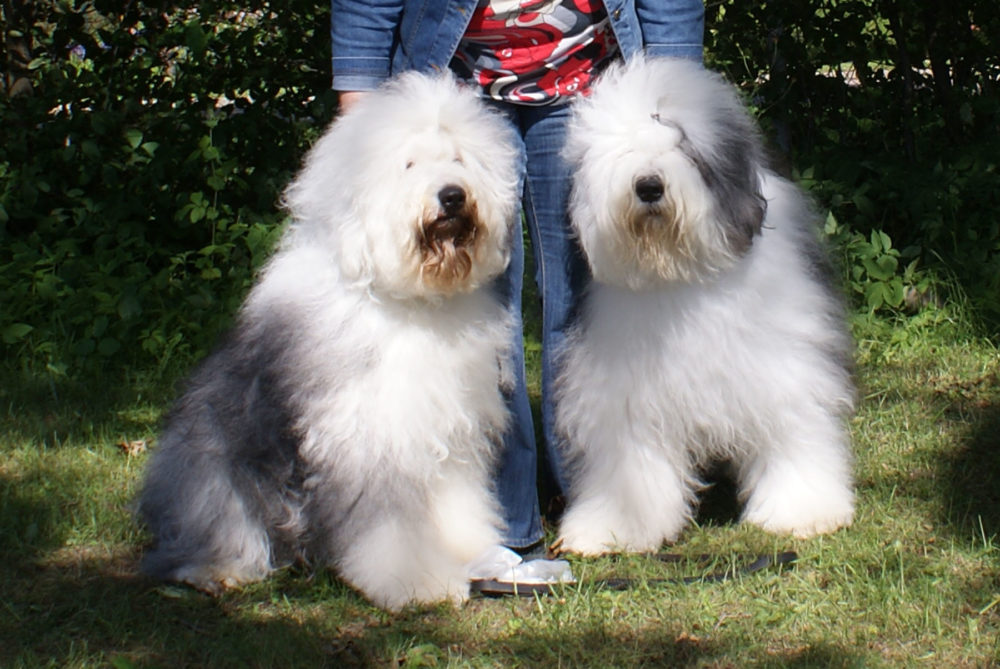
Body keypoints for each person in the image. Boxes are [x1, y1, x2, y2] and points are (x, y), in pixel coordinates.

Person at [330, 0, 705, 555]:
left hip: (589, 83)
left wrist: (673, 84)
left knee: (589, 302)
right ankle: (500, 521)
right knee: (473, 312)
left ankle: (600, 500)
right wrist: (358, 94)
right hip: (454, 87)